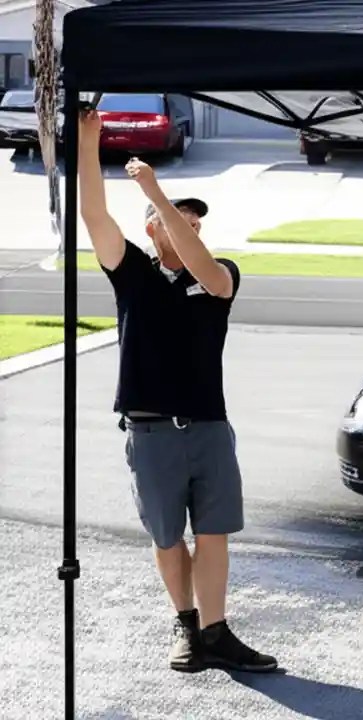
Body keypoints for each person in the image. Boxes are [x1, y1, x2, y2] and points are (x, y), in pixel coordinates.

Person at [78, 109, 277, 673]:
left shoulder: (219, 273)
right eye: (177, 221)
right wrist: (89, 142)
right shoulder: (131, 272)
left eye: (196, 223)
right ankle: (186, 624)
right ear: (150, 230)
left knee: (214, 533)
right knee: (168, 536)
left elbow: (208, 273)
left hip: (208, 426)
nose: (191, 229)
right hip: (151, 431)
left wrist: (157, 194)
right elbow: (94, 214)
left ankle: (217, 631)